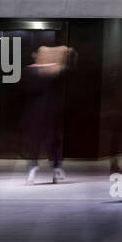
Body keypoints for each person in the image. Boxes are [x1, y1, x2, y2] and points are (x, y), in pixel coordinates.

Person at [22, 44, 71, 184]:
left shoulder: (29, 71)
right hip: (52, 110)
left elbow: (23, 92)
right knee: (54, 141)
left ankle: (33, 167)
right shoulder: (57, 71)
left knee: (34, 142)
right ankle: (56, 168)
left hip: (35, 111)